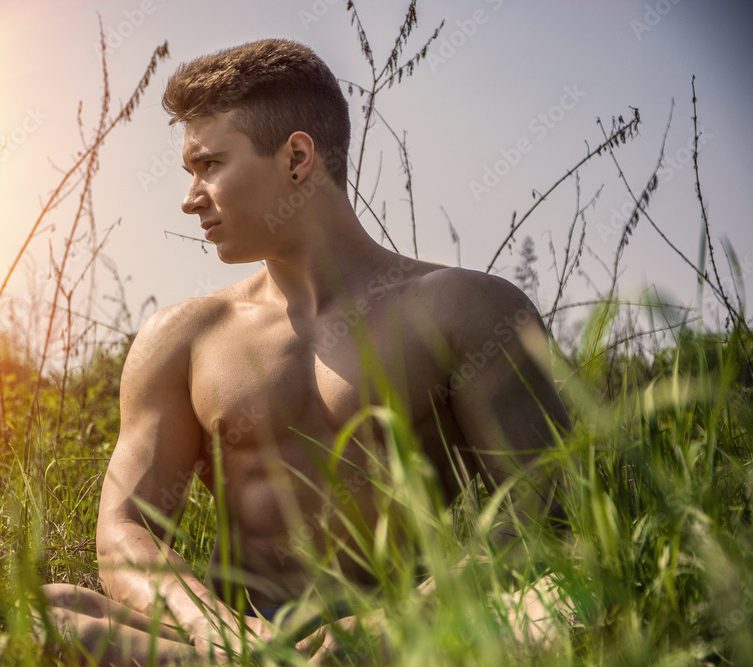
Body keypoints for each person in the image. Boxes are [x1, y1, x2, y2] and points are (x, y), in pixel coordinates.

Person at [43, 38, 571, 665]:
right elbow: (126, 531)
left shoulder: (463, 308)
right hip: (238, 639)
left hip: (412, 630)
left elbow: (544, 522)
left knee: (555, 602)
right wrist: (213, 626)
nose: (190, 197)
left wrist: (392, 627)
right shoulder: (183, 337)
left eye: (209, 165)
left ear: (296, 157)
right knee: (47, 609)